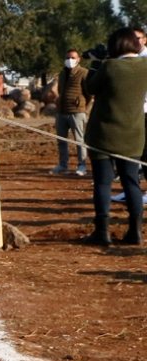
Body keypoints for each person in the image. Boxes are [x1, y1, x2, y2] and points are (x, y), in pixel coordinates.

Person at [82, 27, 147, 246]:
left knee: (103, 183)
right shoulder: (145, 66)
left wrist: (96, 62)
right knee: (132, 182)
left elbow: (90, 88)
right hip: (134, 134)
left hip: (103, 134)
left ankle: (103, 231)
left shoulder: (110, 66)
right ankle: (135, 230)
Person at [51, 49, 90, 177]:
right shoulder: (62, 74)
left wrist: (83, 106)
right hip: (62, 111)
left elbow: (89, 93)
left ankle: (82, 165)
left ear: (78, 59)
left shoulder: (84, 73)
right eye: (68, 57)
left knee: (79, 140)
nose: (70, 60)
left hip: (77, 111)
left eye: (73, 57)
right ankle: (63, 164)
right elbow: (61, 90)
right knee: (61, 140)